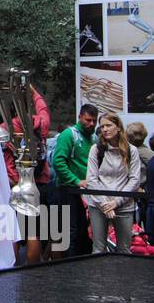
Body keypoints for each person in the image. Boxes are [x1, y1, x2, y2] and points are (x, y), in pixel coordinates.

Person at [85, 113, 141, 254]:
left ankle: (123, 276)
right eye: (102, 126)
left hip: (123, 204)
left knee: (124, 249)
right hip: (99, 204)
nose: (105, 129)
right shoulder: (96, 149)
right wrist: (104, 204)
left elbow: (134, 179)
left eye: (108, 125)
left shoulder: (131, 150)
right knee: (98, 249)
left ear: (118, 127)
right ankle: (99, 276)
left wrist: (116, 202)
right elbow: (92, 179)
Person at [11, 85, 51, 263]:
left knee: (12, 231)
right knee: (34, 231)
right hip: (39, 182)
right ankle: (32, 269)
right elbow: (42, 107)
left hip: (19, 183)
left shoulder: (9, 125)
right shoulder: (41, 122)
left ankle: (11, 268)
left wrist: (12, 180)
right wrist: (34, 91)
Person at [52, 104, 98, 256]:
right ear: (79, 117)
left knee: (84, 231)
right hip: (69, 189)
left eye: (94, 121)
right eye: (88, 120)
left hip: (86, 191)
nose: (91, 124)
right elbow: (58, 162)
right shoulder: (69, 134)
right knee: (70, 230)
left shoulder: (94, 138)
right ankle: (67, 269)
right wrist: (76, 181)